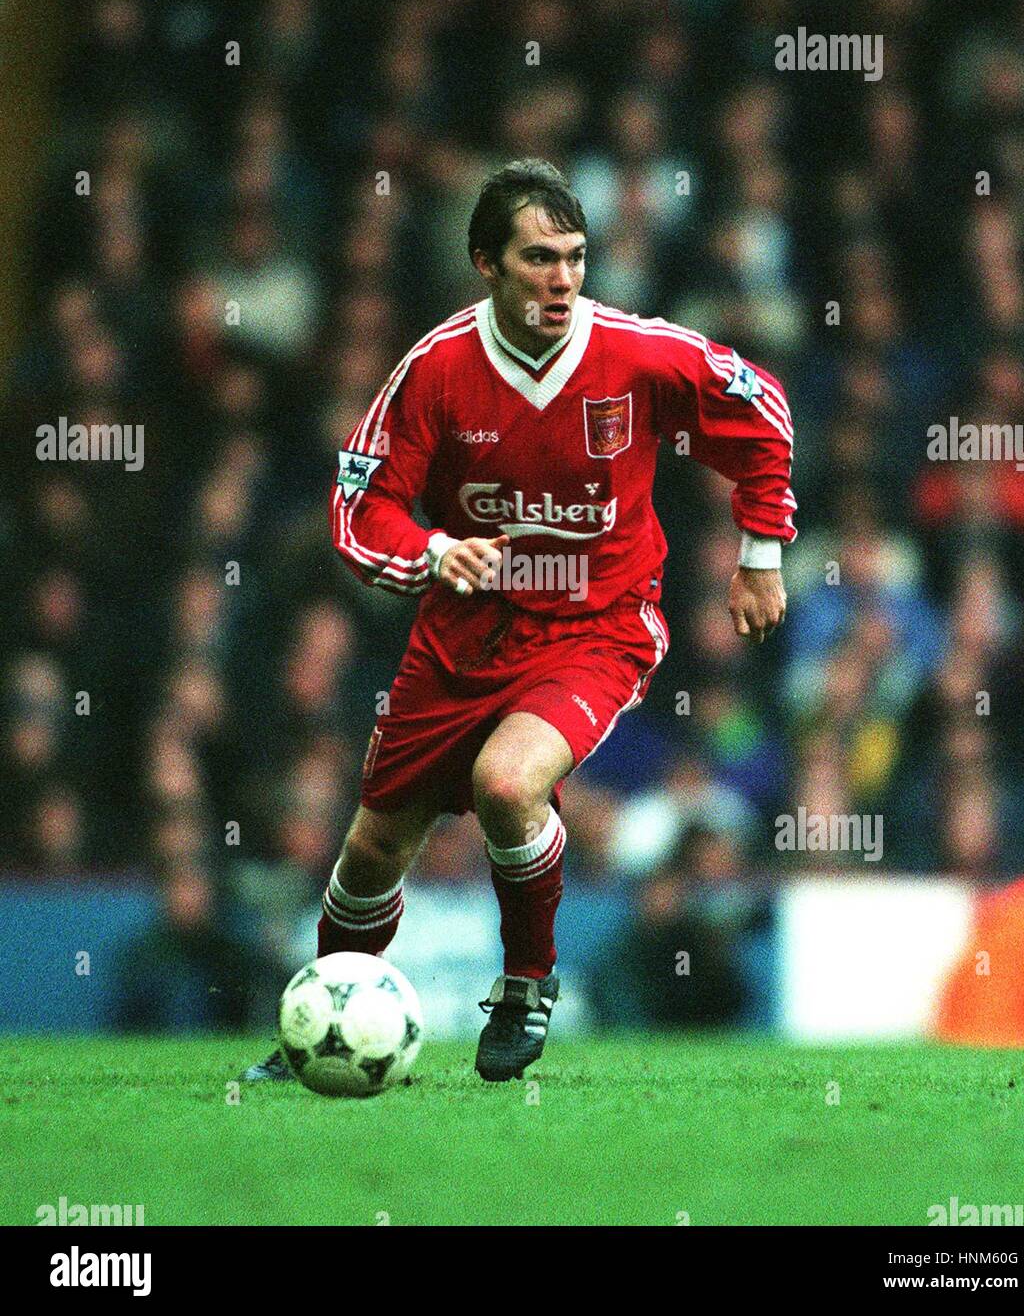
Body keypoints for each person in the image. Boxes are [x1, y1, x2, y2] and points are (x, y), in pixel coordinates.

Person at [244, 158, 794, 1082]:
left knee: (508, 783)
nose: (562, 279)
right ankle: (319, 1018)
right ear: (484, 263)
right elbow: (360, 504)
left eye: (576, 258)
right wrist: (427, 551)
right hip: (463, 635)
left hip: (597, 626)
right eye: (538, 258)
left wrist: (760, 554)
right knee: (375, 845)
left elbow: (761, 412)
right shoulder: (437, 370)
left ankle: (528, 986)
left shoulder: (637, 353)